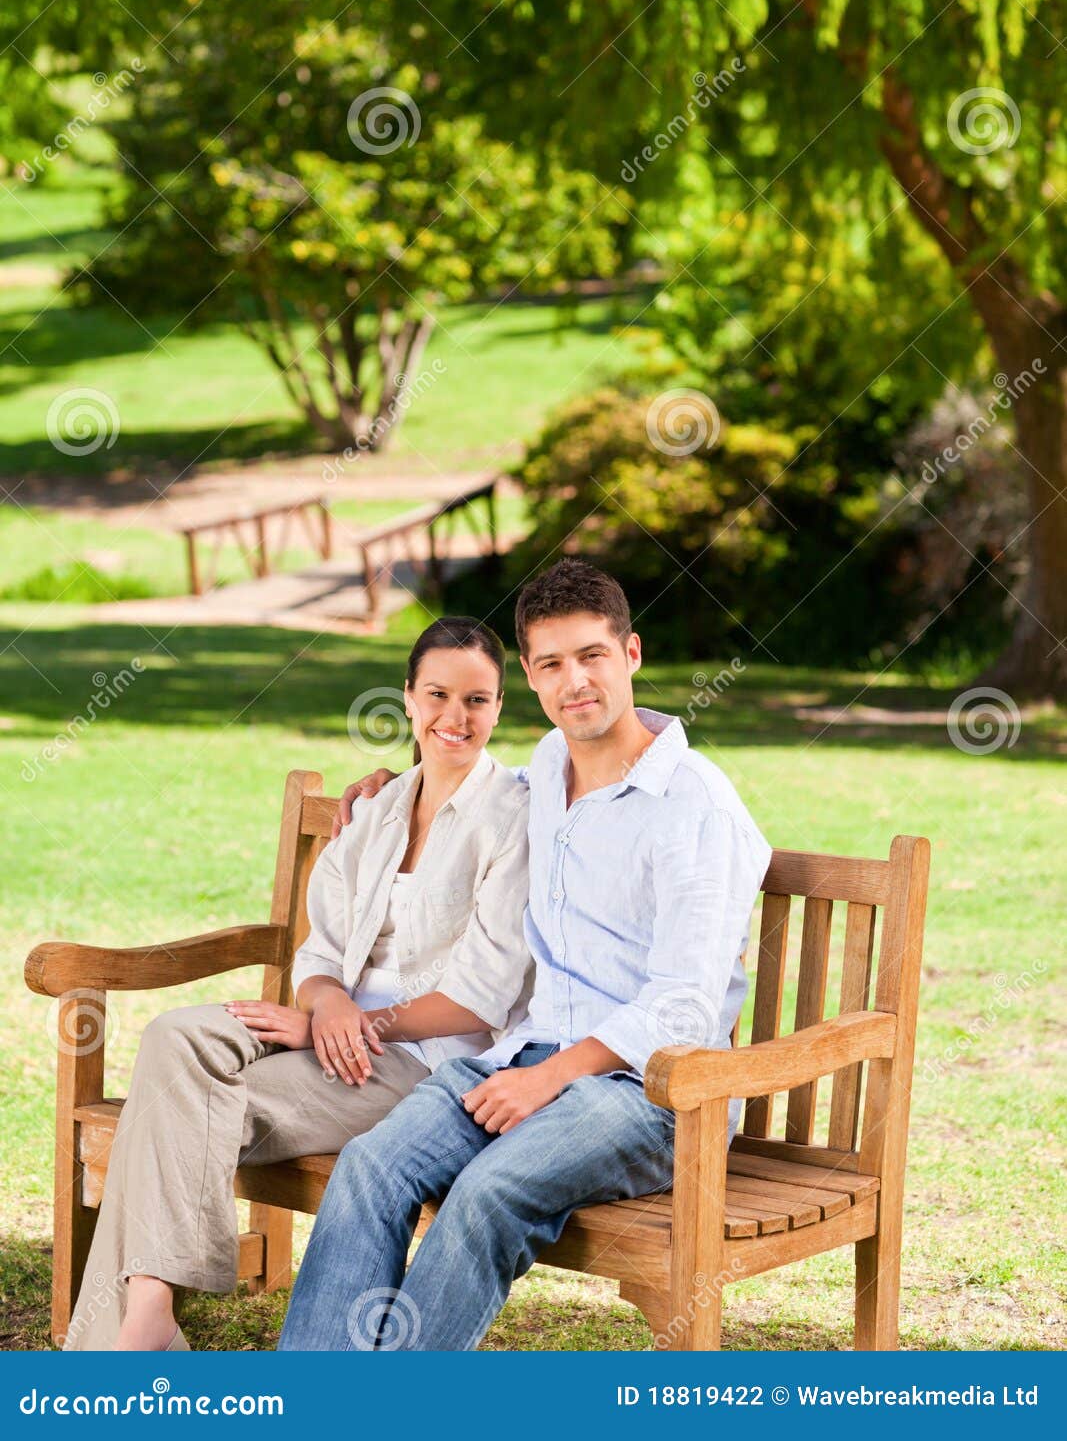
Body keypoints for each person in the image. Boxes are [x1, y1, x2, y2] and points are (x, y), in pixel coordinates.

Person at [278, 558, 771, 1353]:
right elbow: (458, 768)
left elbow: (681, 1004)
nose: (574, 681)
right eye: (550, 664)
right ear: (533, 683)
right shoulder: (545, 768)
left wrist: (548, 1078)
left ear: (631, 655)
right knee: (371, 1165)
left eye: (591, 656)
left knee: (487, 1191)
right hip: (520, 1057)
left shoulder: (695, 807)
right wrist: (387, 786)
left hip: (656, 1095)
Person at [64, 617, 531, 1351]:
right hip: (327, 1034)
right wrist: (327, 1004)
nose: (456, 716)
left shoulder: (513, 819)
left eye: (477, 700)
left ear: (500, 708)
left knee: (170, 1110)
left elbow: (483, 996)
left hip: (417, 1065)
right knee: (173, 1039)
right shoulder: (375, 810)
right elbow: (319, 955)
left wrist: (347, 1027)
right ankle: (149, 1312)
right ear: (408, 698)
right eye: (438, 694)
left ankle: (128, 1339)